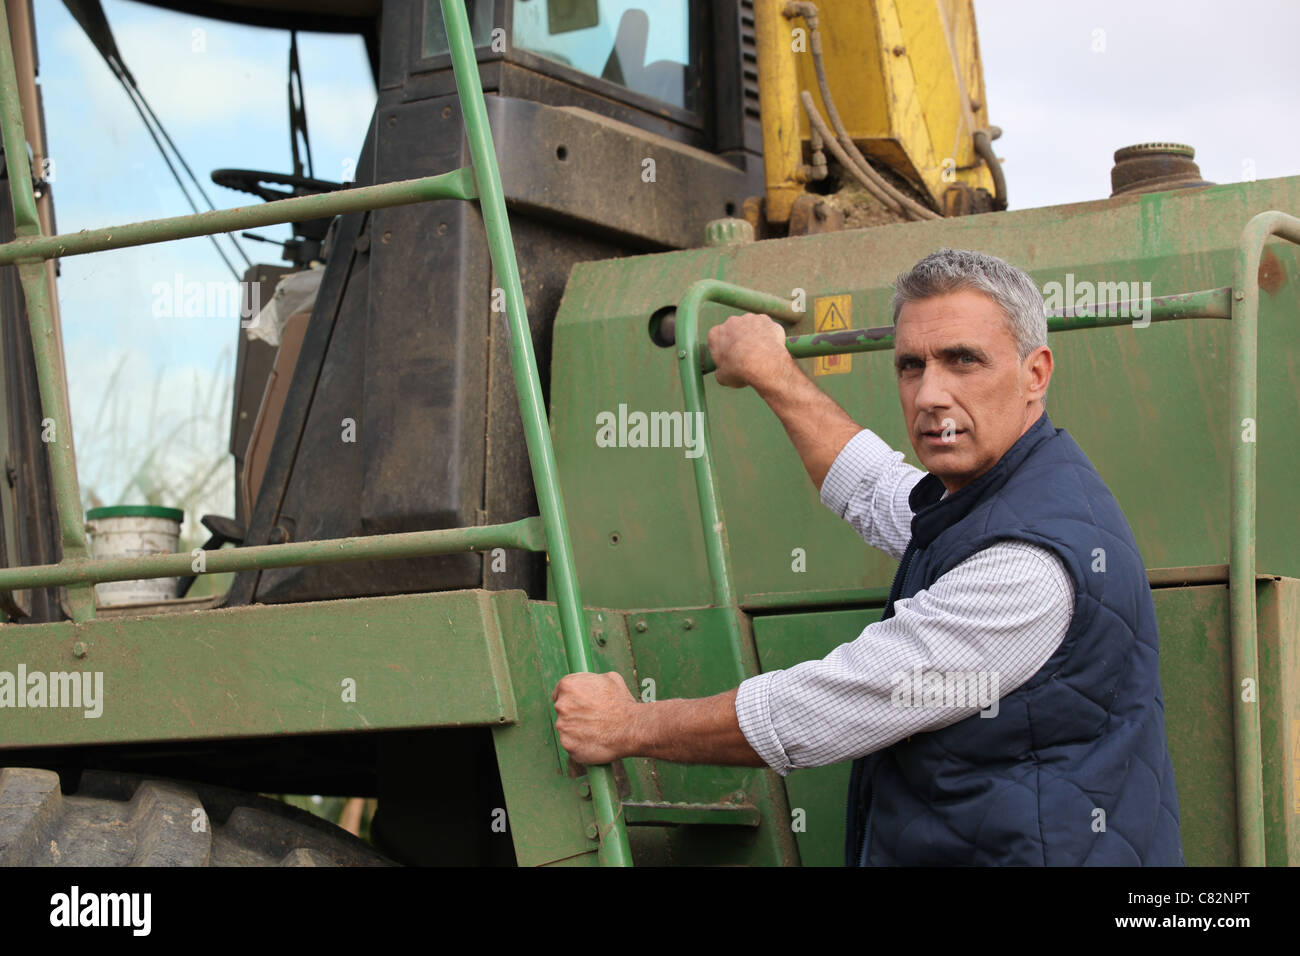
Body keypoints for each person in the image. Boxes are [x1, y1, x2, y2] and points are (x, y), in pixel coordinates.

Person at [552, 248, 1184, 866]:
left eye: (963, 360)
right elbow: (876, 489)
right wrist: (772, 371)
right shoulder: (1005, 495)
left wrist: (628, 726)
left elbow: (819, 712)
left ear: (1035, 372)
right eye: (912, 365)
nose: (931, 393)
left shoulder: (1024, 564)